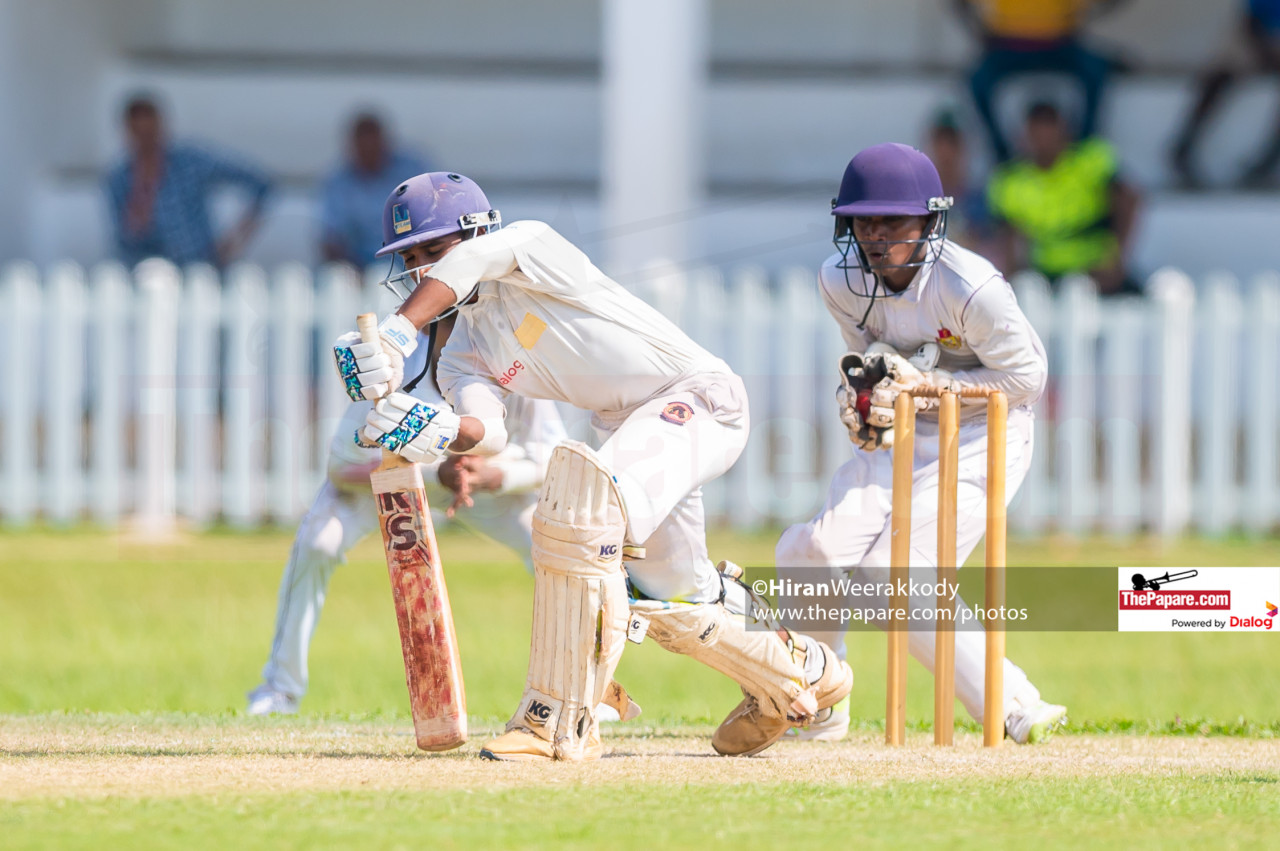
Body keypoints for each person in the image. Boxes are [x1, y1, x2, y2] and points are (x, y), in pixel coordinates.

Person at [333, 171, 852, 761]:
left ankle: (554, 720)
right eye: (410, 258)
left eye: (434, 250)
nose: (423, 269)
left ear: (474, 231)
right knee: (671, 596)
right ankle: (801, 670)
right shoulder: (462, 354)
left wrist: (402, 327)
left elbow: (475, 259)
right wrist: (436, 430)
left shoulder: (531, 248)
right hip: (629, 428)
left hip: (698, 398)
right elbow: (490, 431)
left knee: (582, 514)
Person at [775, 143, 1066, 744]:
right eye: (864, 221)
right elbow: (873, 358)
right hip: (901, 439)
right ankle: (820, 706)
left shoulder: (970, 287)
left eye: (893, 222)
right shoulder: (841, 281)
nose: (877, 237)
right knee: (806, 552)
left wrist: (933, 387)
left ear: (931, 222)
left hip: (982, 435)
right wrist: (864, 405)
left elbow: (1027, 380)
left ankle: (1014, 706)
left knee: (892, 580)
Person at [246, 313, 565, 715]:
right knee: (318, 542)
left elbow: (551, 458)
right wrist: (435, 472)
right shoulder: (394, 361)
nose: (460, 338)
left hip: (478, 486)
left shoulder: (517, 364)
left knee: (552, 548)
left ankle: (584, 691)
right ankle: (279, 688)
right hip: (387, 477)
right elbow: (342, 468)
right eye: (448, 326)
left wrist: (493, 474)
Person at [986, 100, 1142, 295]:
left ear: (1063, 131)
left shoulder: (1090, 161)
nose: (1043, 141)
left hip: (1095, 269)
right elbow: (1008, 239)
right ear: (1025, 136)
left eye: (1049, 132)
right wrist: (1012, 279)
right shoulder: (1010, 181)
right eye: (1036, 134)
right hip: (1044, 274)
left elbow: (1130, 199)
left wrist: (1116, 260)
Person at [104, 94, 272, 267]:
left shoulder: (191, 162)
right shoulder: (119, 178)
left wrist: (236, 237)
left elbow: (259, 182)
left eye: (150, 134)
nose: (146, 143)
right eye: (139, 135)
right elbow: (123, 240)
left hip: (199, 269)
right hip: (146, 273)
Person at [954, 0, 1128, 163]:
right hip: (1010, 43)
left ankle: (1083, 148)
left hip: (1060, 41)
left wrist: (1084, 14)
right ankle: (1003, 156)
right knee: (978, 81)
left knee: (1095, 71)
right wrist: (980, 29)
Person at [1169, 0, 1280, 189]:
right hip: (1259, 35)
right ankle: (1183, 149)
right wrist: (1265, 51)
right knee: (1221, 73)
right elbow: (1249, 19)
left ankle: (1267, 162)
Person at [319, 113, 431, 266]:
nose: (369, 150)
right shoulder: (338, 182)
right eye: (363, 147)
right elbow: (331, 239)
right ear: (352, 147)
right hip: (360, 271)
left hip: (413, 263)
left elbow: (435, 217)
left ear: (386, 142)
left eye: (374, 145)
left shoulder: (412, 170)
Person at [926, 110, 995, 256]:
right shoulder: (919, 199)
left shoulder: (981, 199)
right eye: (940, 142)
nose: (946, 151)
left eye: (952, 142)